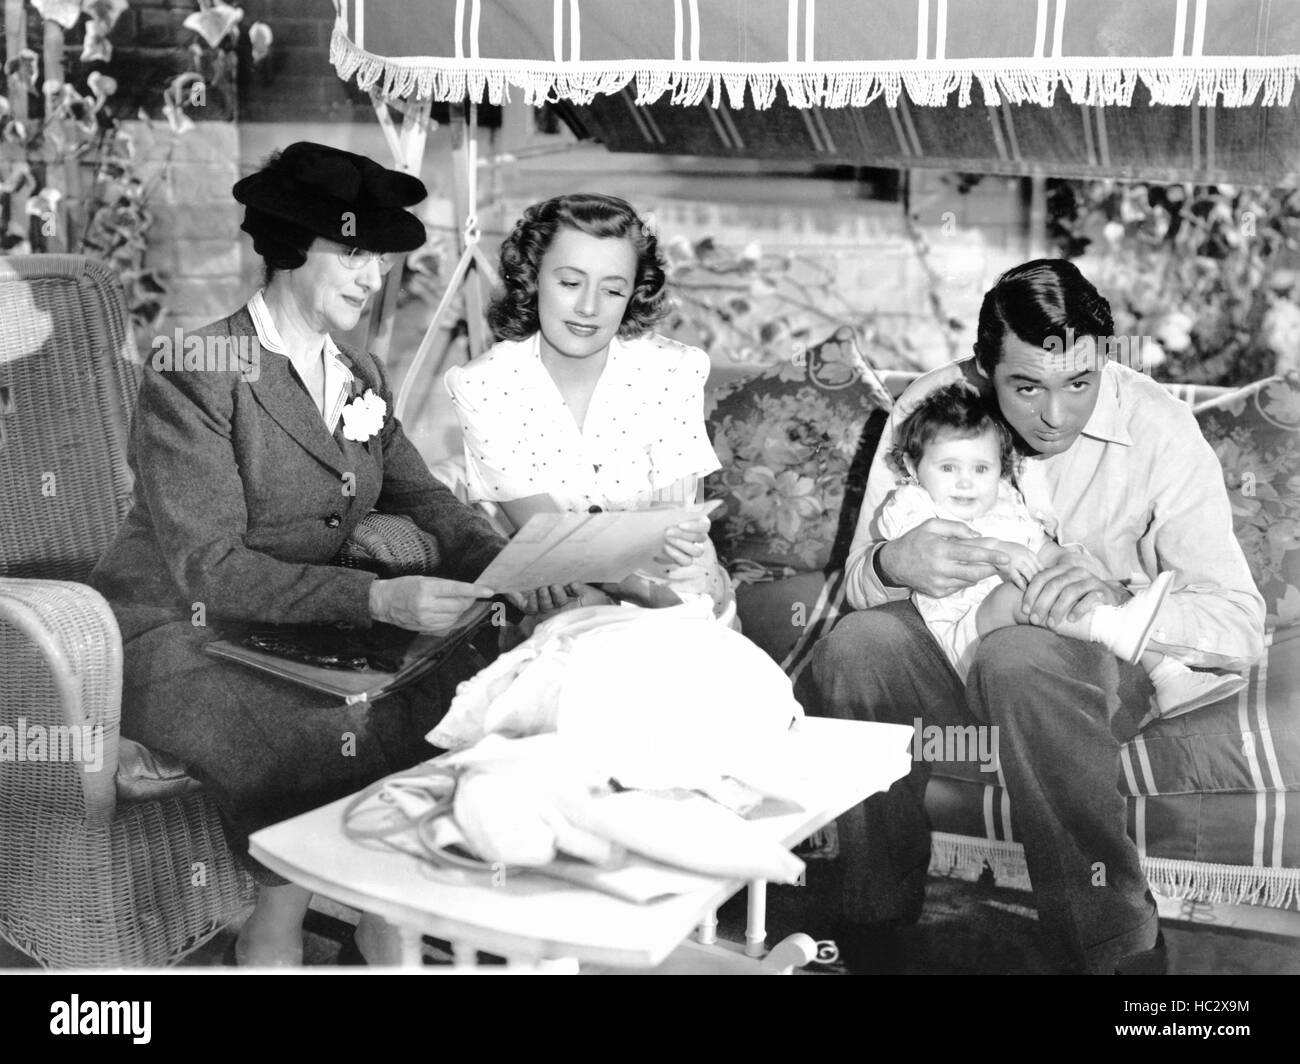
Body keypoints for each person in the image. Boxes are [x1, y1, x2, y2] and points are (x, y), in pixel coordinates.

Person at [89, 142, 551, 967]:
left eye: (378, 257)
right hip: (179, 636)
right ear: (292, 246)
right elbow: (210, 570)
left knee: (463, 678)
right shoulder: (198, 369)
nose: (373, 276)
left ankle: (387, 907)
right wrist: (377, 601)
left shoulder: (356, 370)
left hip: (295, 627)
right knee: (317, 731)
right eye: (353, 253)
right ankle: (277, 934)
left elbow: (423, 499)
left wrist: (512, 568)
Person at [804, 258, 1265, 974]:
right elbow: (858, 588)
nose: (1056, 416)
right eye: (1026, 387)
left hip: (1078, 675)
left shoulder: (1161, 429)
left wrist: (1117, 599)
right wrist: (894, 564)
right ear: (986, 371)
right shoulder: (932, 409)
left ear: (1105, 357)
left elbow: (1236, 625)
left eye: (1080, 383)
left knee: (1017, 657)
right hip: (945, 654)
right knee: (853, 649)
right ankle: (876, 917)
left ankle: (1111, 943)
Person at [880, 380, 1244, 714]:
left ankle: (1170, 678)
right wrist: (998, 551)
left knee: (1079, 591)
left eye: (981, 469)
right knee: (1018, 597)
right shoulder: (914, 504)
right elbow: (943, 546)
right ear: (913, 466)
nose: (965, 483)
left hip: (1027, 633)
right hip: (963, 639)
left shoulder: (1003, 502)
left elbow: (1040, 547)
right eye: (947, 468)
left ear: (999, 469)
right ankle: (1114, 629)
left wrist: (1068, 562)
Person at [445, 192, 732, 615]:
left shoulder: (676, 370)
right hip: (566, 601)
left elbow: (671, 532)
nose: (588, 308)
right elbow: (552, 540)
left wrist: (664, 589)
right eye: (569, 283)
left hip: (677, 588)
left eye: (613, 290)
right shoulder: (481, 384)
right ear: (532, 277)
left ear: (634, 293)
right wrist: (615, 586)